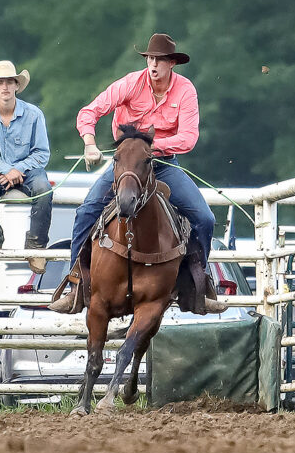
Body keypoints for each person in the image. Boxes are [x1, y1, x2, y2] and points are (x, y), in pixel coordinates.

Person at [48, 33, 225, 314]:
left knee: (204, 218)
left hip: (163, 164)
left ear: (171, 64)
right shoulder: (131, 83)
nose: (153, 65)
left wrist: (151, 147)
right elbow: (89, 112)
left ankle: (198, 286)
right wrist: (90, 143)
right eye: (150, 59)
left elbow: (189, 137)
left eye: (160, 60)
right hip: (127, 166)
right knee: (86, 212)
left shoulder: (185, 90)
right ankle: (76, 285)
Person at [0, 61, 53, 274]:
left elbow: (42, 153)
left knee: (44, 189)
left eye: (10, 82)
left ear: (17, 85)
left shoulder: (34, 114)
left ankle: (36, 246)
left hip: (30, 170)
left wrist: (18, 170)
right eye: (0, 82)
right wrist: (6, 169)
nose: (5, 87)